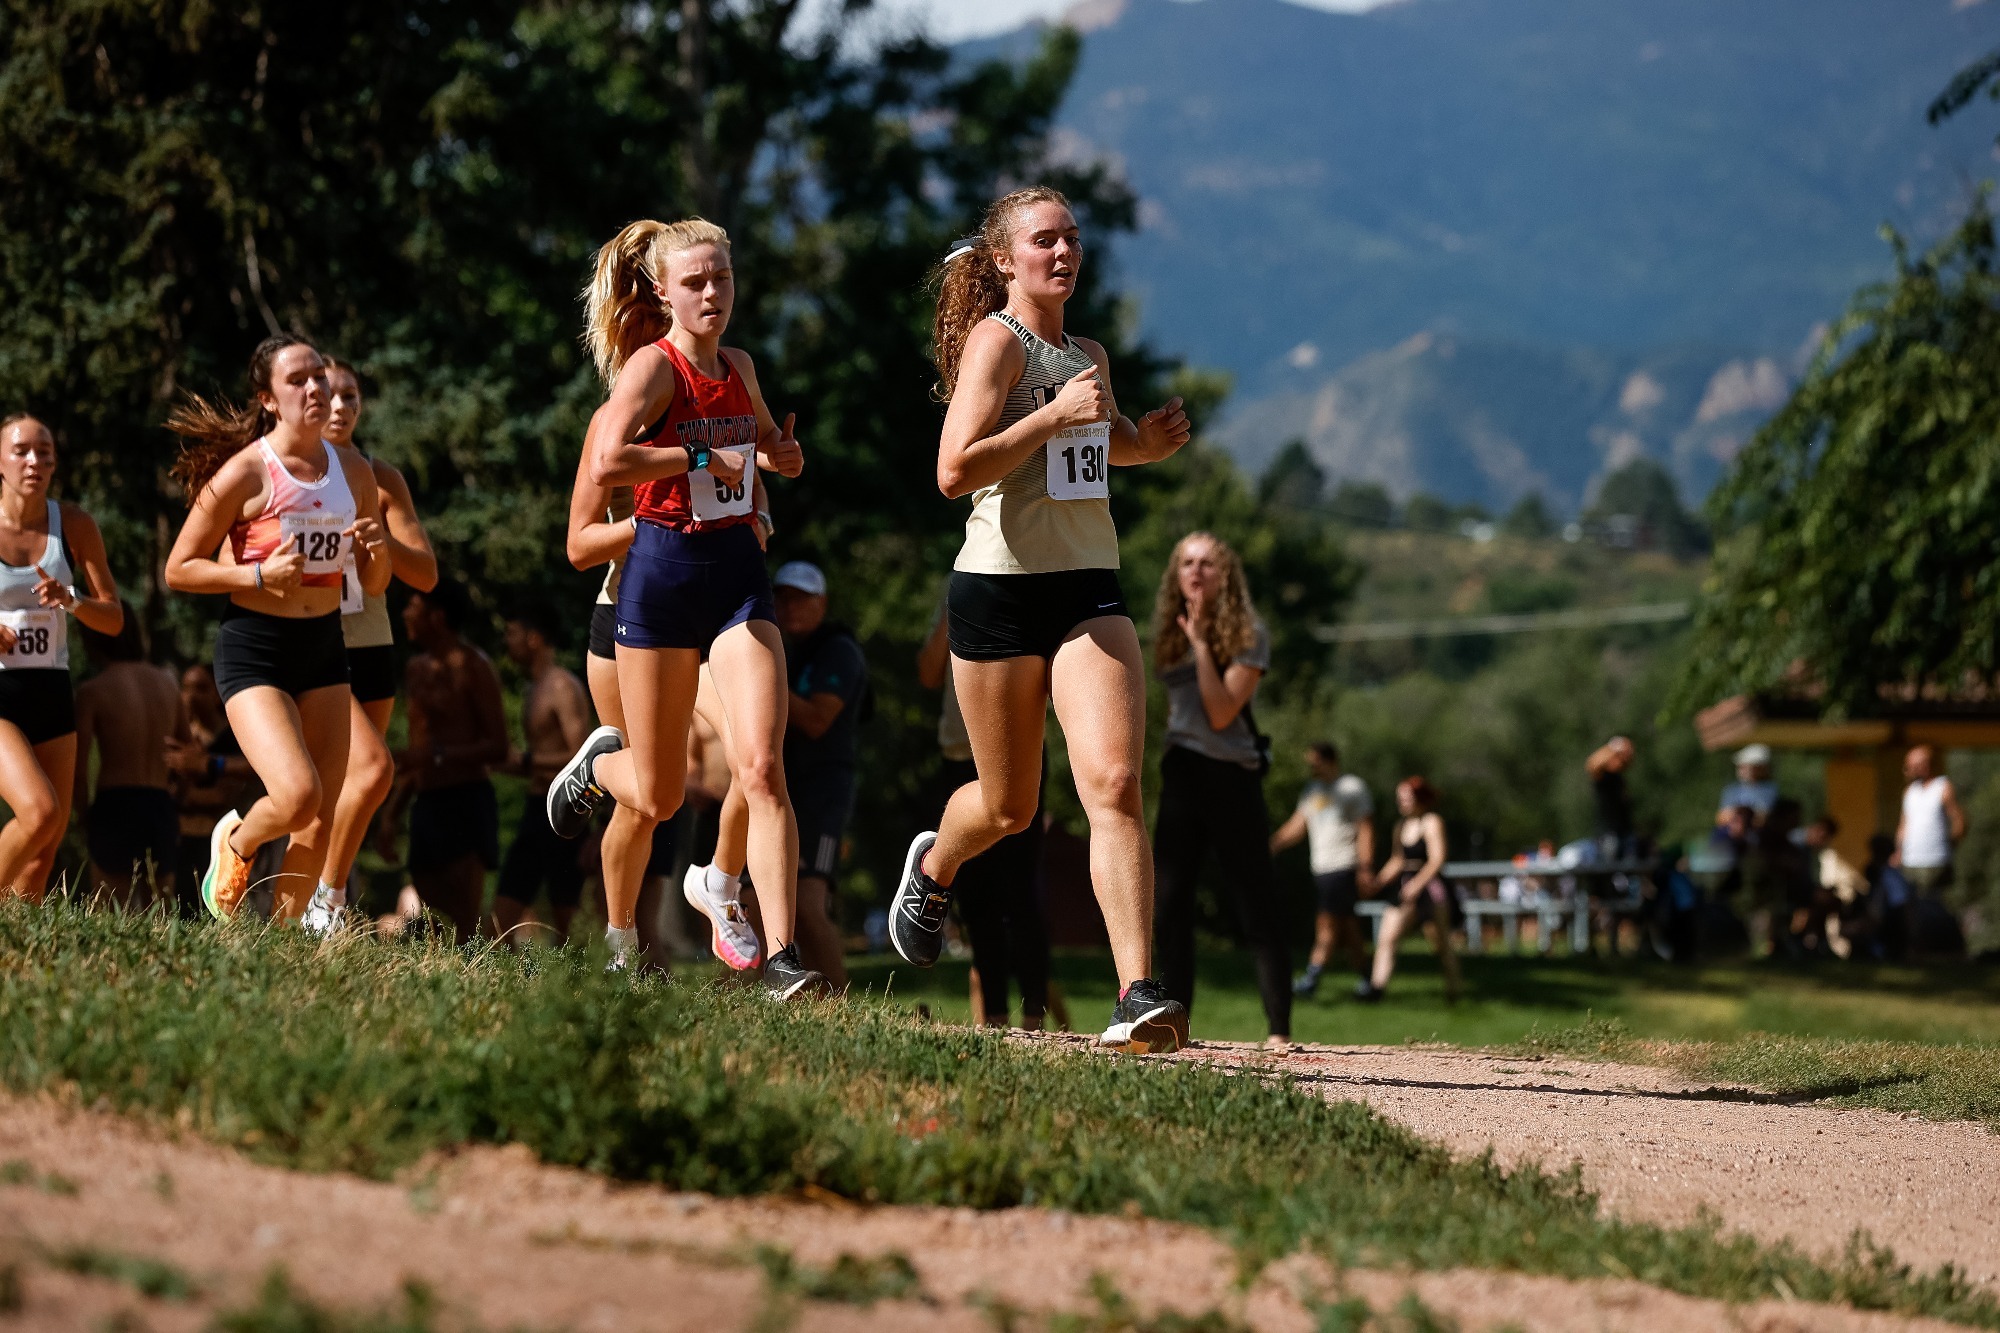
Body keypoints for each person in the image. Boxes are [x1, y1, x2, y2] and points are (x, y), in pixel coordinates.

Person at [888, 188, 1193, 1053]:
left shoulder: (1088, 351)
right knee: (1008, 805)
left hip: (1088, 587)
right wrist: (1052, 413)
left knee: (1115, 784)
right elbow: (953, 471)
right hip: (998, 590)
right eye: (1042, 240)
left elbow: (1100, 444)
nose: (1062, 252)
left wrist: (1147, 443)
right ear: (1004, 260)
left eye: (1071, 238)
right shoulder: (997, 345)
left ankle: (1139, 991)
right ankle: (935, 865)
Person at [546, 215, 822, 997]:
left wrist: (783, 454)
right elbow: (610, 457)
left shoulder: (740, 363)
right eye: (695, 282)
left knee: (762, 764)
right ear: (663, 290)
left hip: (736, 577)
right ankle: (602, 763)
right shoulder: (652, 369)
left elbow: (764, 445)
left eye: (722, 280)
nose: (711, 294)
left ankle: (782, 955)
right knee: (662, 793)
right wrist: (698, 453)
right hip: (660, 577)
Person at [163, 336, 391, 922]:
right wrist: (259, 573)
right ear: (268, 398)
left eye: (319, 375)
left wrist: (376, 549)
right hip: (255, 647)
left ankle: (281, 945)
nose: (315, 388)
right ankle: (237, 842)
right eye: (298, 380)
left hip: (323, 649)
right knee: (297, 795)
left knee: (323, 811)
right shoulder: (246, 472)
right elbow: (179, 568)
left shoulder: (355, 471)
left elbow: (375, 580)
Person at [566, 427, 762, 974]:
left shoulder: (721, 408)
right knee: (649, 803)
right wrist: (651, 528)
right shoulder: (615, 420)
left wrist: (758, 522)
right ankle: (620, 941)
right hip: (632, 621)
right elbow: (579, 546)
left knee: (755, 760)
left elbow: (752, 501)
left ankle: (720, 883)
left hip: (712, 617)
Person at [1149, 532, 1291, 1049]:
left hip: (1232, 774)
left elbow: (1221, 710)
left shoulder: (1249, 633)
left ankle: (1278, 1029)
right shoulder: (1167, 630)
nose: (1195, 571)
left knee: (1256, 903)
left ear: (1225, 573)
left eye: (1207, 563)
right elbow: (1179, 710)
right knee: (1168, 904)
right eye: (1186, 561)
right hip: (1183, 770)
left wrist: (1203, 645)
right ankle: (1174, 1024)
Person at [313, 357, 438, 934]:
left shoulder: (381, 477)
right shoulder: (288, 470)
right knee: (368, 771)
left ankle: (301, 916)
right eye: (331, 395)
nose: (341, 407)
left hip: (372, 642)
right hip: (313, 641)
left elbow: (427, 574)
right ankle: (327, 900)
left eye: (353, 397)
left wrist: (381, 539)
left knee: (344, 788)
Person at [0, 414, 125, 901]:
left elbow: (113, 618)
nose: (35, 461)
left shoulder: (72, 524)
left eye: (45, 453)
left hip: (52, 692)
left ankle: (16, 952)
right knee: (40, 811)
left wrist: (72, 600)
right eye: (21, 451)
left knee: (45, 847)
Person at [917, 603, 1050, 1029]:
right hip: (958, 755)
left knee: (1022, 892)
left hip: (1017, 754)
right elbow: (927, 673)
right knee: (976, 898)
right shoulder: (952, 588)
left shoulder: (1027, 571)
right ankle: (993, 1019)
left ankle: (1034, 1020)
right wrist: (953, 603)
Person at [772, 560, 868, 990]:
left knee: (809, 903)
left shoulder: (837, 650)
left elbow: (816, 720)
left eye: (801, 598)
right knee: (778, 902)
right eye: (784, 597)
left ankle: (842, 1002)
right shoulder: (789, 650)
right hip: (791, 787)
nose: (791, 606)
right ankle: (811, 997)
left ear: (822, 603)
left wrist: (762, 683)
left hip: (823, 789)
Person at [397, 579, 507, 941]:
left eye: (413, 606)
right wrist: (392, 811)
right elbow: (418, 753)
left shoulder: (473, 666)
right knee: (429, 899)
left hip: (467, 797)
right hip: (427, 802)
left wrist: (443, 756)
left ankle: (484, 979)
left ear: (437, 617)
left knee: (466, 916)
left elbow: (499, 746)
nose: (405, 614)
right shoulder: (416, 670)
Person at [74, 604, 186, 908]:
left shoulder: (93, 691)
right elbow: (186, 753)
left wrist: (82, 814)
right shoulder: (168, 683)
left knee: (108, 910)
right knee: (161, 911)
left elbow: (79, 767)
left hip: (116, 804)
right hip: (160, 802)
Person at [494, 601, 593, 945]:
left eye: (513, 633)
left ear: (534, 638)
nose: (508, 641)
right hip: (534, 810)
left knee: (568, 921)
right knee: (500, 917)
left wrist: (523, 761)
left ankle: (580, 990)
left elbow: (584, 756)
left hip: (565, 816)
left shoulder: (561, 686)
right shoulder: (532, 689)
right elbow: (537, 760)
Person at [1273, 741, 1374, 998]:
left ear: (1329, 760)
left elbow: (1366, 829)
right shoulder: (1312, 791)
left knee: (1327, 922)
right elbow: (1298, 825)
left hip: (1344, 865)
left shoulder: (1352, 788)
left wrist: (1365, 867)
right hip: (1322, 868)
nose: (1312, 767)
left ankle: (1312, 978)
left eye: (1315, 761)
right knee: (1347, 925)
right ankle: (1368, 979)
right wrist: (1273, 844)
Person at [1359, 776, 1460, 1003]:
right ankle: (1376, 989)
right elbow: (1398, 860)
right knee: (1387, 938)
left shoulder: (1432, 822)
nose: (1402, 802)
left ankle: (1454, 990)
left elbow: (1437, 859)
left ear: (1419, 798)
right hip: (1405, 886)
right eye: (1400, 798)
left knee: (1441, 942)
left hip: (1430, 886)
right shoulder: (1401, 826)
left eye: (1406, 797)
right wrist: (1378, 882)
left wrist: (1418, 884)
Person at [165, 663, 255, 915]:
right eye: (186, 688)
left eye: (201, 689)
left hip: (217, 846)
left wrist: (197, 771)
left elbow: (224, 796)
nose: (191, 696)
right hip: (179, 844)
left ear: (217, 693)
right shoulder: (180, 737)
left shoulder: (234, 738)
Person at [1894, 743, 1965, 896]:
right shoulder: (1909, 792)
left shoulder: (1942, 787)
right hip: (1910, 862)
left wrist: (1950, 844)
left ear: (1925, 765)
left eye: (1911, 765)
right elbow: (1904, 825)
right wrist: (1898, 851)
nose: (1907, 770)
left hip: (1936, 863)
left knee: (1936, 908)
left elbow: (1959, 819)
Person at [1586, 735, 1636, 859]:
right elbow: (1592, 763)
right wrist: (1613, 749)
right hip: (1608, 833)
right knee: (1610, 869)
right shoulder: (1602, 776)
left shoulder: (1619, 779)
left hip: (1624, 832)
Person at [1716, 743, 1778, 826]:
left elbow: (1762, 819)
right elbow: (1721, 818)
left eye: (1745, 767)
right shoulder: (1731, 789)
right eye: (1741, 767)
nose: (1742, 770)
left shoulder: (1769, 789)